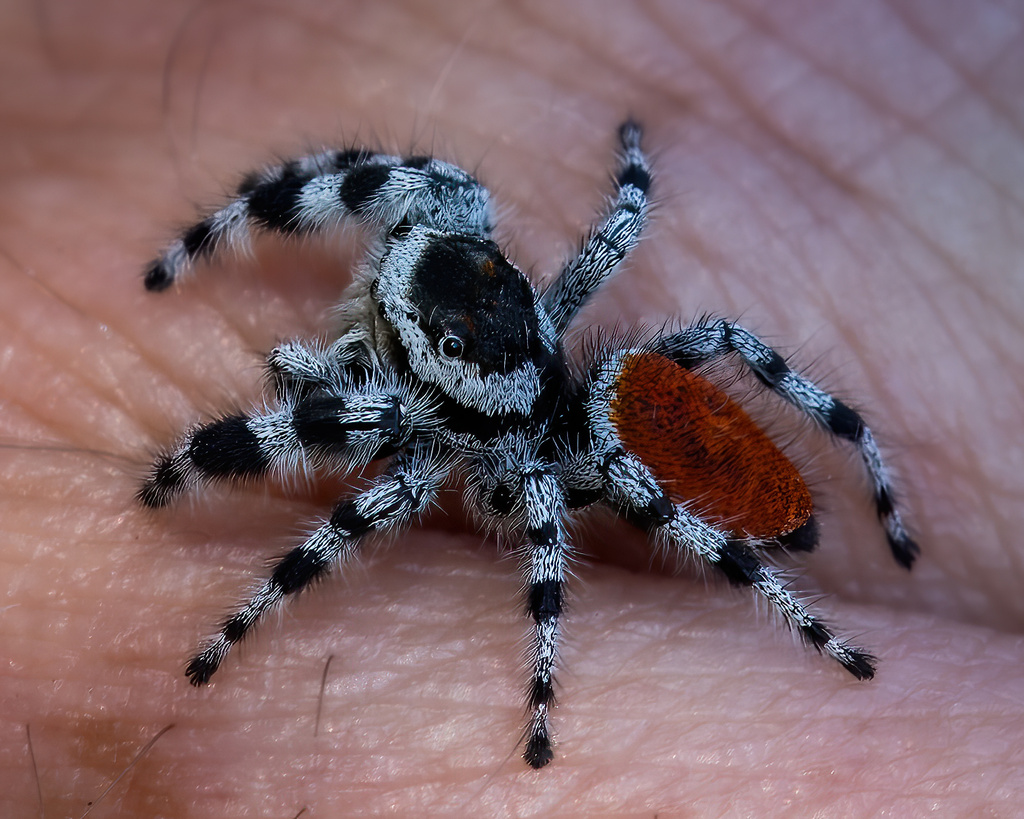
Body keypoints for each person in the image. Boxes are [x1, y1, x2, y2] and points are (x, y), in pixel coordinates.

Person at [3, 0, 1022, 814]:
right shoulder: (440, 233)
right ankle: (868, 489)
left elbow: (338, 475)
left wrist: (196, 513)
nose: (386, 290)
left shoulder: (496, 456)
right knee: (702, 336)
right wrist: (221, 228)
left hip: (589, 446)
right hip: (587, 407)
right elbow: (615, 202)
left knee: (656, 413)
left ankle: (810, 588)